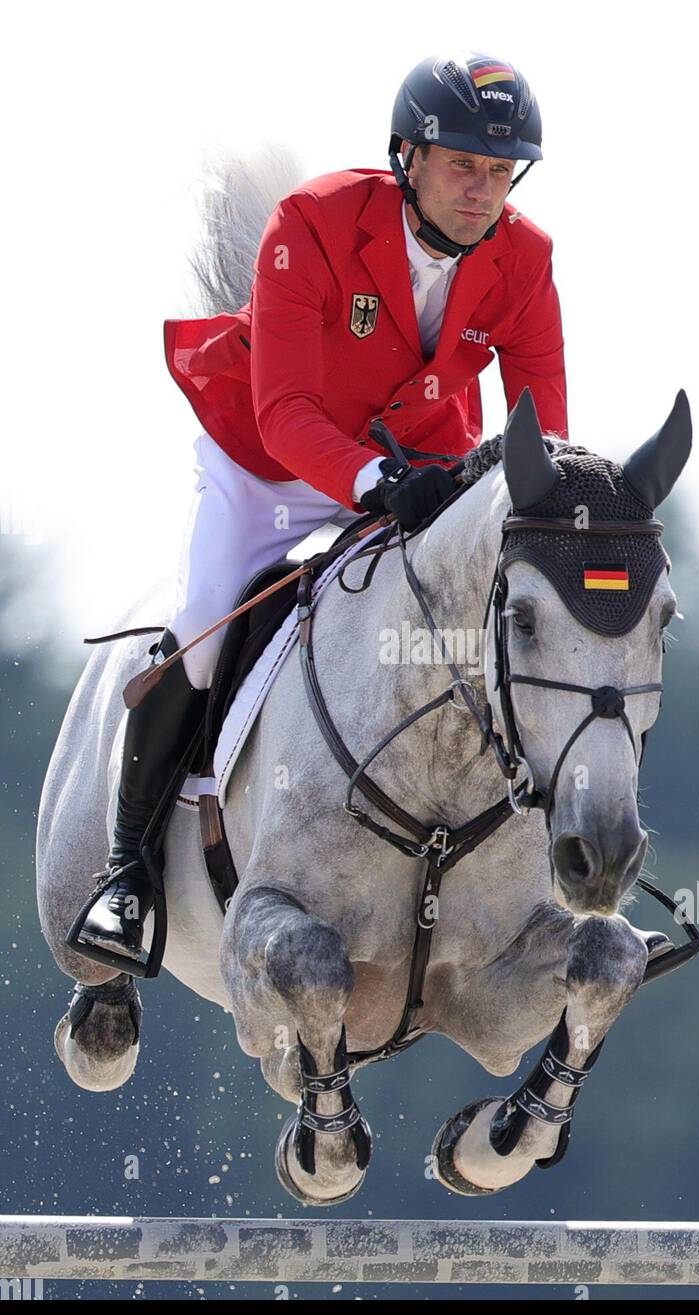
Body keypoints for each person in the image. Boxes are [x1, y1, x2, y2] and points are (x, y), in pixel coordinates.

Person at [72, 48, 569, 969]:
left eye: (501, 172)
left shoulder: (525, 257)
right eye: (463, 164)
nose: (483, 192)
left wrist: (524, 508)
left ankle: (548, 878)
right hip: (270, 466)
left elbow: (544, 425)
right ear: (407, 157)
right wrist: (377, 485)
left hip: (424, 464)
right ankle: (126, 875)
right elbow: (286, 410)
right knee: (205, 631)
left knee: (495, 637)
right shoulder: (313, 223)